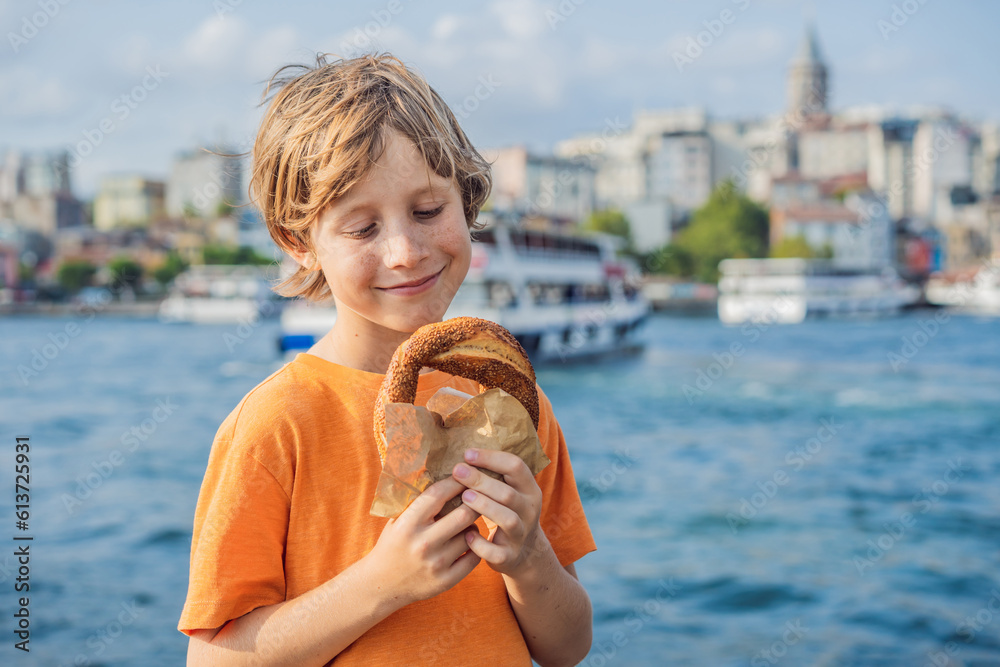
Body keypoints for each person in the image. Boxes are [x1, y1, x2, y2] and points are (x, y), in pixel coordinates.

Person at [179, 52, 596, 666]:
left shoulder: (511, 403)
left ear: (468, 201)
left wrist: (529, 556)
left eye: (428, 211)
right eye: (361, 228)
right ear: (299, 243)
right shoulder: (276, 425)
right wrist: (382, 583)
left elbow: (568, 647)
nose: (404, 251)